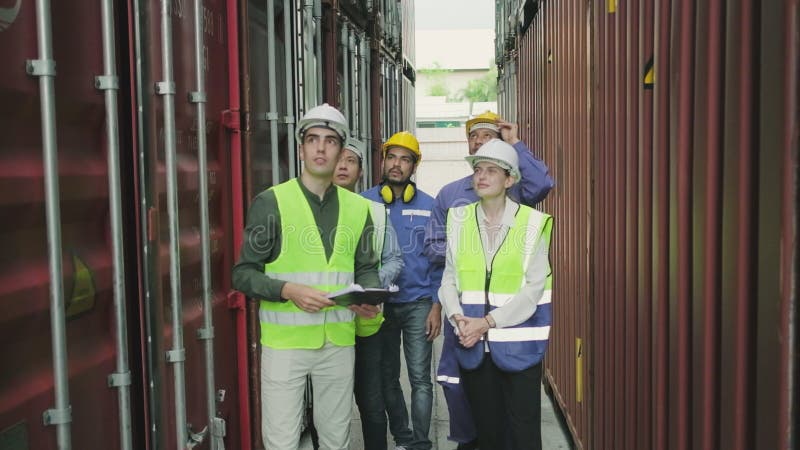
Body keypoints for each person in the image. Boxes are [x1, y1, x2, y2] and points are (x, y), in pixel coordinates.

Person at [232, 104, 381, 450]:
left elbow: (366, 267)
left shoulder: (359, 209)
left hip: (338, 342)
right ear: (301, 149)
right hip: (286, 344)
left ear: (341, 153)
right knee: (281, 440)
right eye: (312, 140)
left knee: (336, 439)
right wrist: (287, 289)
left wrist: (368, 295)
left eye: (330, 141)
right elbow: (242, 274)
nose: (320, 148)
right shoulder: (271, 202)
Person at [423, 111, 554, 449]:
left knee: (524, 437)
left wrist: (486, 322)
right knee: (487, 434)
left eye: (491, 170)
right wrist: (458, 318)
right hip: (474, 347)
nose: (481, 176)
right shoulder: (459, 218)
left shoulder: (531, 222)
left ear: (510, 180)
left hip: (519, 349)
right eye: (478, 169)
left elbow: (533, 291)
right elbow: (449, 278)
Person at [361, 131, 441, 450]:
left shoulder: (431, 206)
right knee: (387, 376)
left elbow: (439, 261)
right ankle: (403, 437)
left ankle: (420, 443)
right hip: (381, 304)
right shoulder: (364, 202)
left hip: (418, 302)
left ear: (414, 166)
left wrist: (436, 305)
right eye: (392, 157)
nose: (397, 164)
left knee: (420, 378)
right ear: (383, 161)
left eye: (405, 159)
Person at [333, 143, 404, 450]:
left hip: (367, 326)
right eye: (338, 159)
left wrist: (368, 284)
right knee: (329, 405)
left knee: (371, 400)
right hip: (325, 324)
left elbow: (394, 260)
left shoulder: (375, 212)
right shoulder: (310, 214)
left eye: (350, 161)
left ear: (361, 172)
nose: (342, 166)